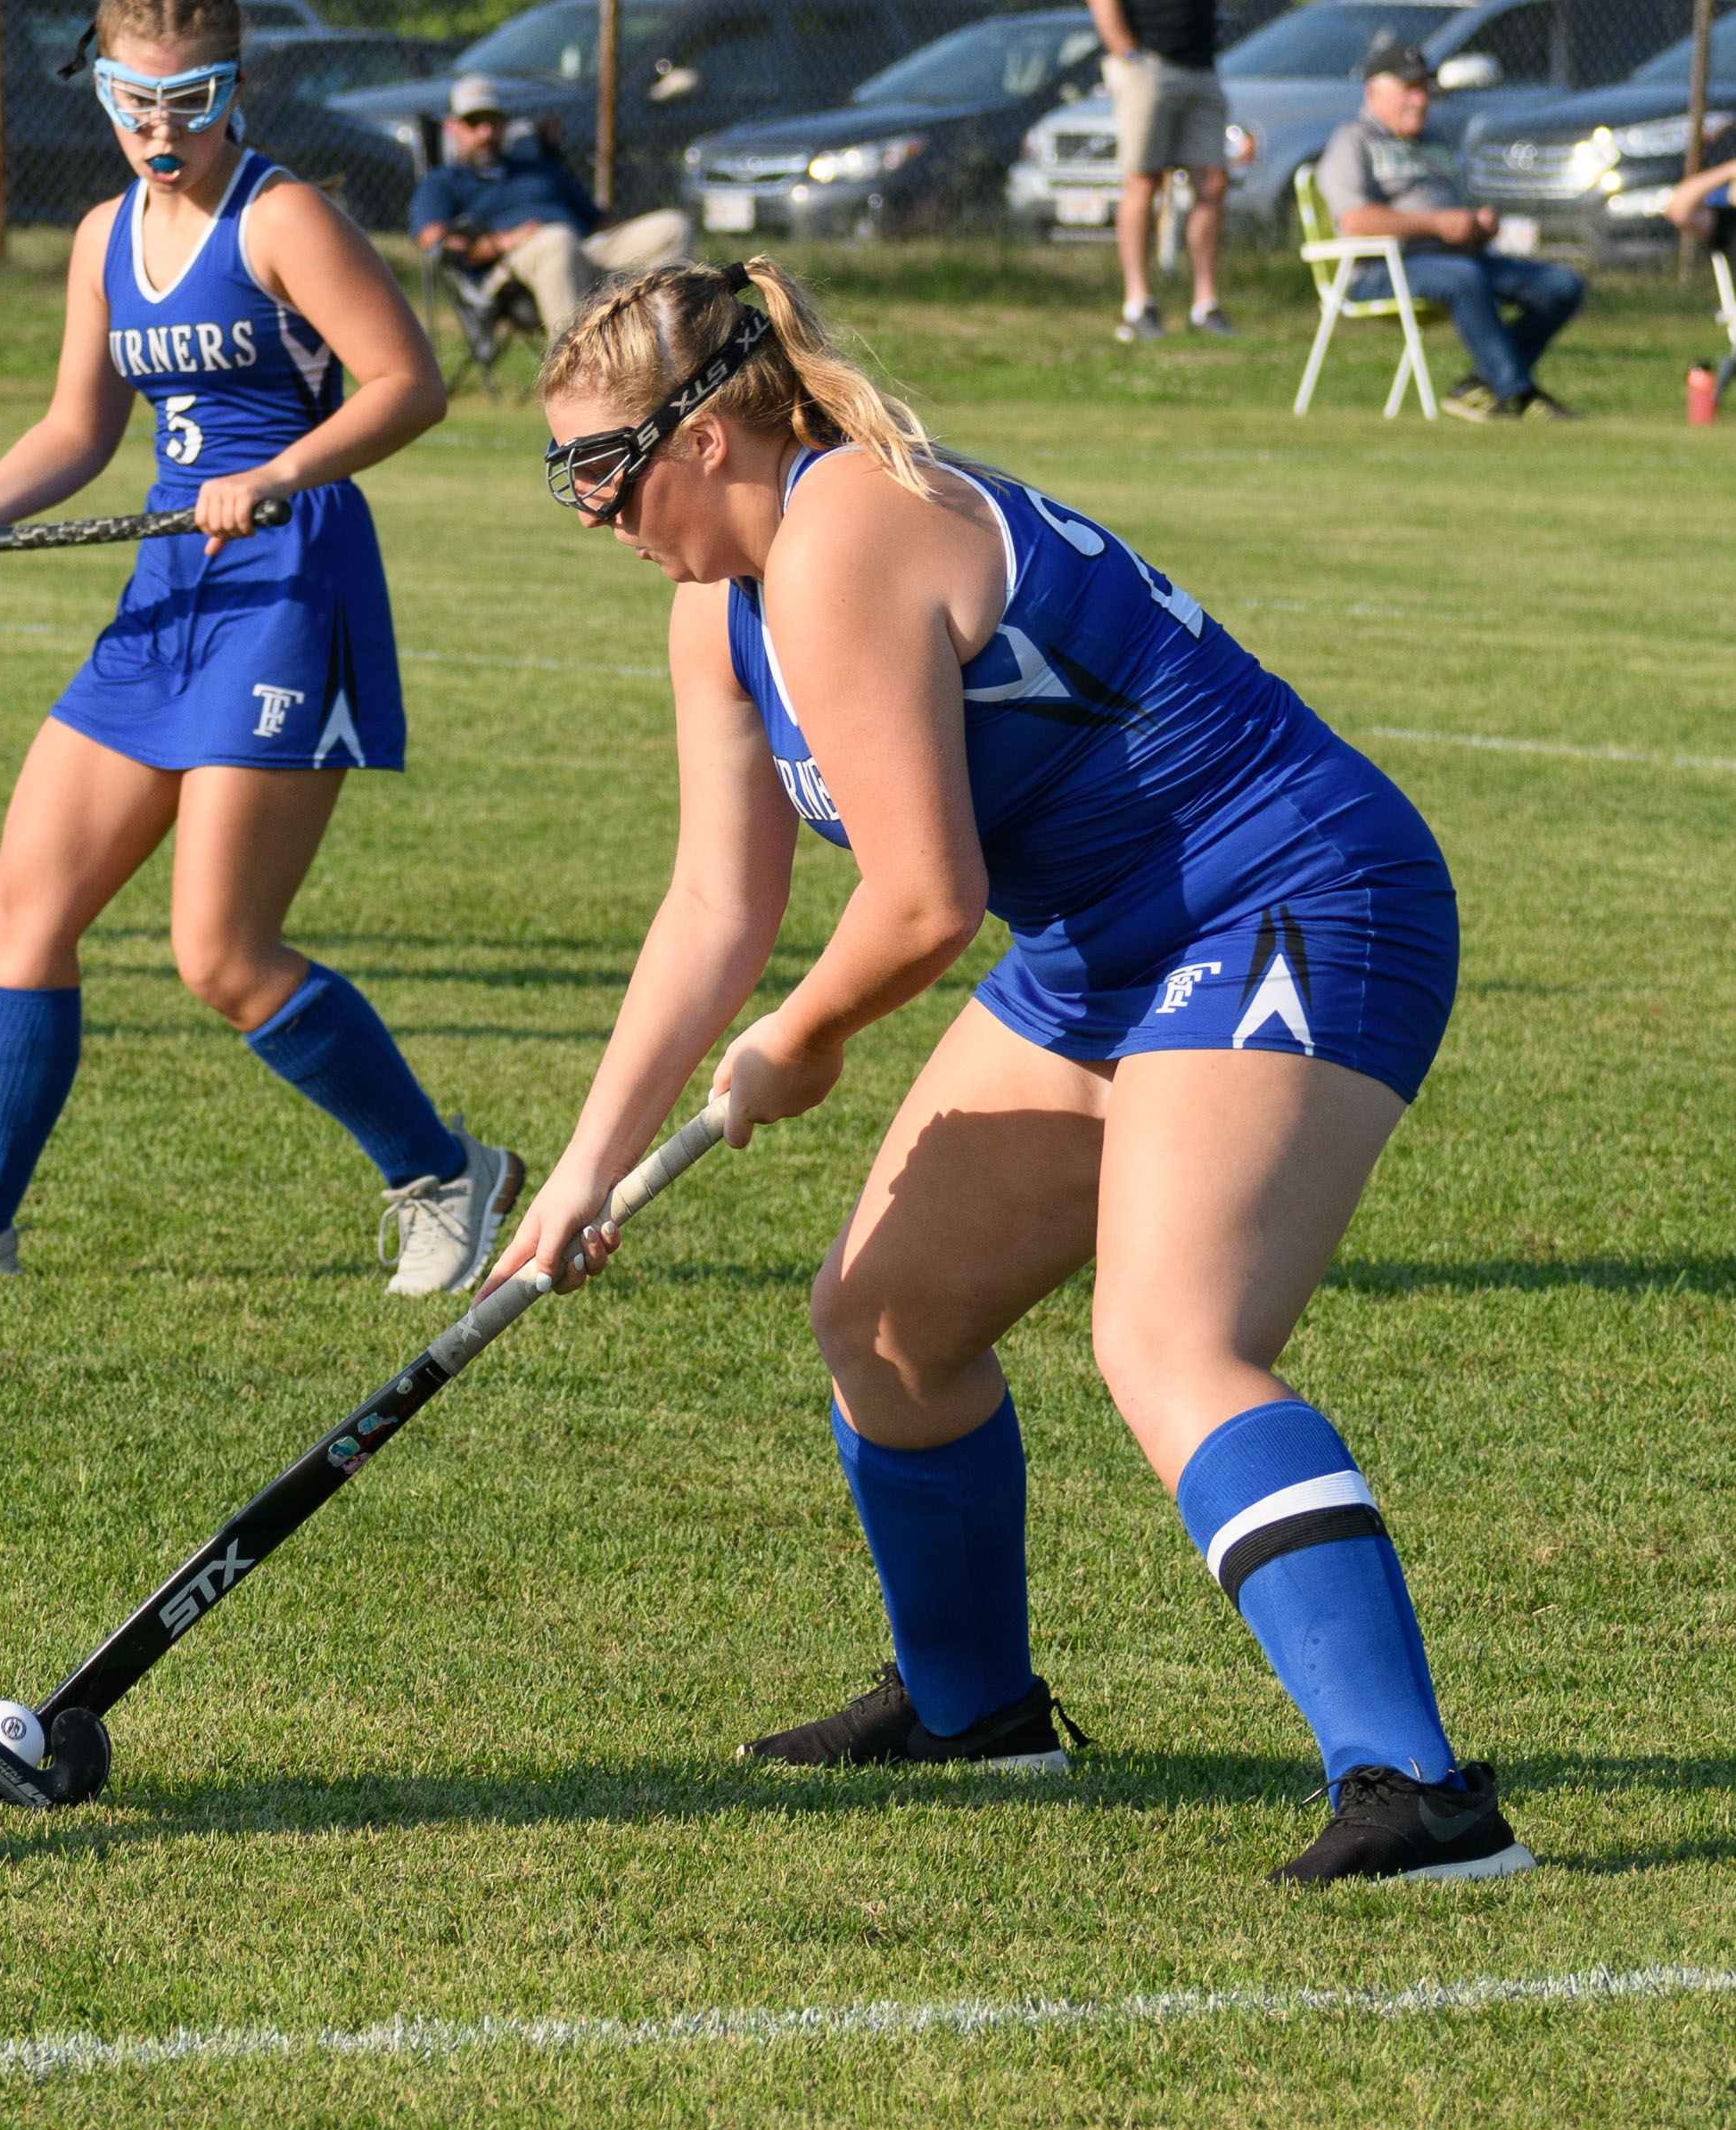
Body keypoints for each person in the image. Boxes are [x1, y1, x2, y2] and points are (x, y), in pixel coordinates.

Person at [511, 259, 1531, 1884]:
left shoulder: (847, 533)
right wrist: (584, 1163)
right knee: (888, 1323)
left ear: (701, 435)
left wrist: (800, 1038)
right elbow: (718, 901)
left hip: (1288, 893)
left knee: (1171, 1335)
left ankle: (1420, 1794)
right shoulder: (719, 607)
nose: (584, 508)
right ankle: (976, 1710)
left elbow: (923, 900)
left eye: (596, 464)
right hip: (1101, 948)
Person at [0, 0, 519, 1295]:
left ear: (233, 86)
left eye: (186, 100)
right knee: (26, 907)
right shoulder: (102, 236)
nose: (156, 128)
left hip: (285, 586)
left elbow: (408, 381)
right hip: (166, 587)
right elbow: (75, 430)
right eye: (132, 101)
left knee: (221, 953)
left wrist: (282, 469)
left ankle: (444, 1173)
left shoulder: (282, 214)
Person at [1315, 44, 1582, 421]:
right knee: (1463, 278)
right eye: (1409, 90)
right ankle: (1516, 393)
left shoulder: (1435, 141)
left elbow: (1453, 208)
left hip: (1459, 259)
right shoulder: (1352, 141)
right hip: (1383, 270)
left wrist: (1476, 225)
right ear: (1374, 92)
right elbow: (1355, 220)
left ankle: (1481, 385)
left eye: (1424, 89)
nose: (1420, 100)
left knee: (1560, 285)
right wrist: (1435, 225)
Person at [409, 75, 687, 334]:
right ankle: (577, 368)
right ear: (452, 127)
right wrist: (505, 241)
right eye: (474, 123)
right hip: (513, 268)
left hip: (586, 252)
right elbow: (434, 242)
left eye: (493, 122)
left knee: (673, 227)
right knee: (557, 239)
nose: (485, 132)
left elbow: (600, 220)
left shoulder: (541, 169)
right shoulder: (442, 181)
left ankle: (666, 348)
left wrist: (626, 233)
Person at [1086, 0, 1230, 340]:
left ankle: (1205, 305)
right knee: (1144, 182)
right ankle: (1138, 304)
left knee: (1213, 184)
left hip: (1201, 67)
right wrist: (1129, 55)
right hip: (1149, 64)